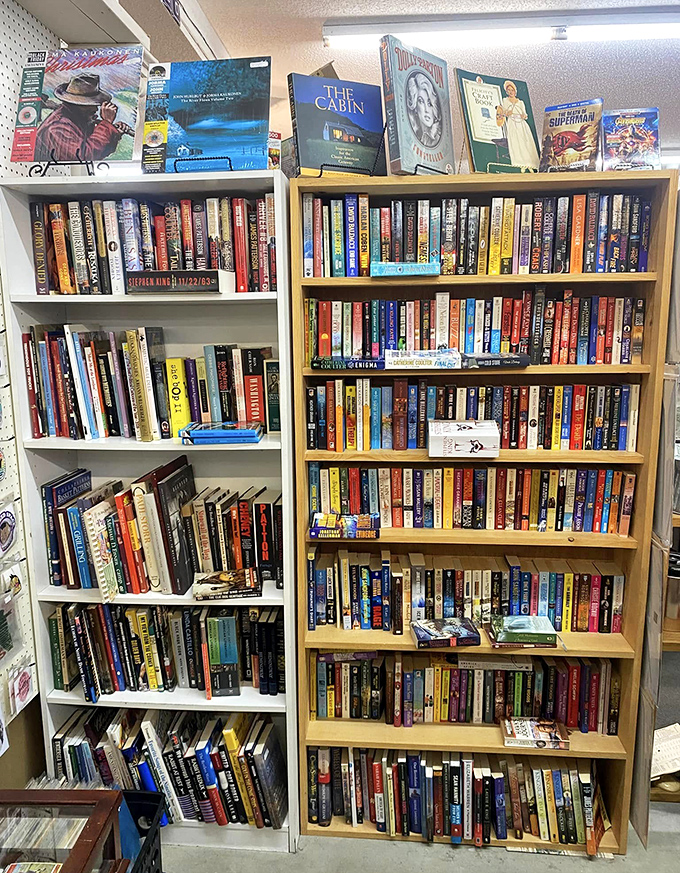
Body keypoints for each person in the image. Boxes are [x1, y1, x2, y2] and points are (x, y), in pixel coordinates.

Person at [34, 73, 133, 162]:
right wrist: (106, 123)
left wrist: (113, 132)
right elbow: (83, 157)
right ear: (78, 105)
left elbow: (96, 151)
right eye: (90, 104)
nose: (95, 108)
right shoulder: (58, 127)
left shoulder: (75, 119)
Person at [496, 80, 539, 169]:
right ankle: (519, 163)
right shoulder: (505, 100)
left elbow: (525, 115)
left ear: (515, 91)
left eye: (512, 90)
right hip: (512, 122)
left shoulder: (520, 102)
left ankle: (530, 164)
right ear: (506, 91)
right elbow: (504, 113)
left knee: (525, 142)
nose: (511, 92)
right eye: (509, 90)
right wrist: (508, 113)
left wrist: (523, 116)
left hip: (521, 123)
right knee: (515, 142)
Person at [406, 72, 442, 148]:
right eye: (421, 101)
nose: (426, 110)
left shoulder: (437, 138)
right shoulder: (416, 137)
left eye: (429, 104)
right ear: (415, 107)